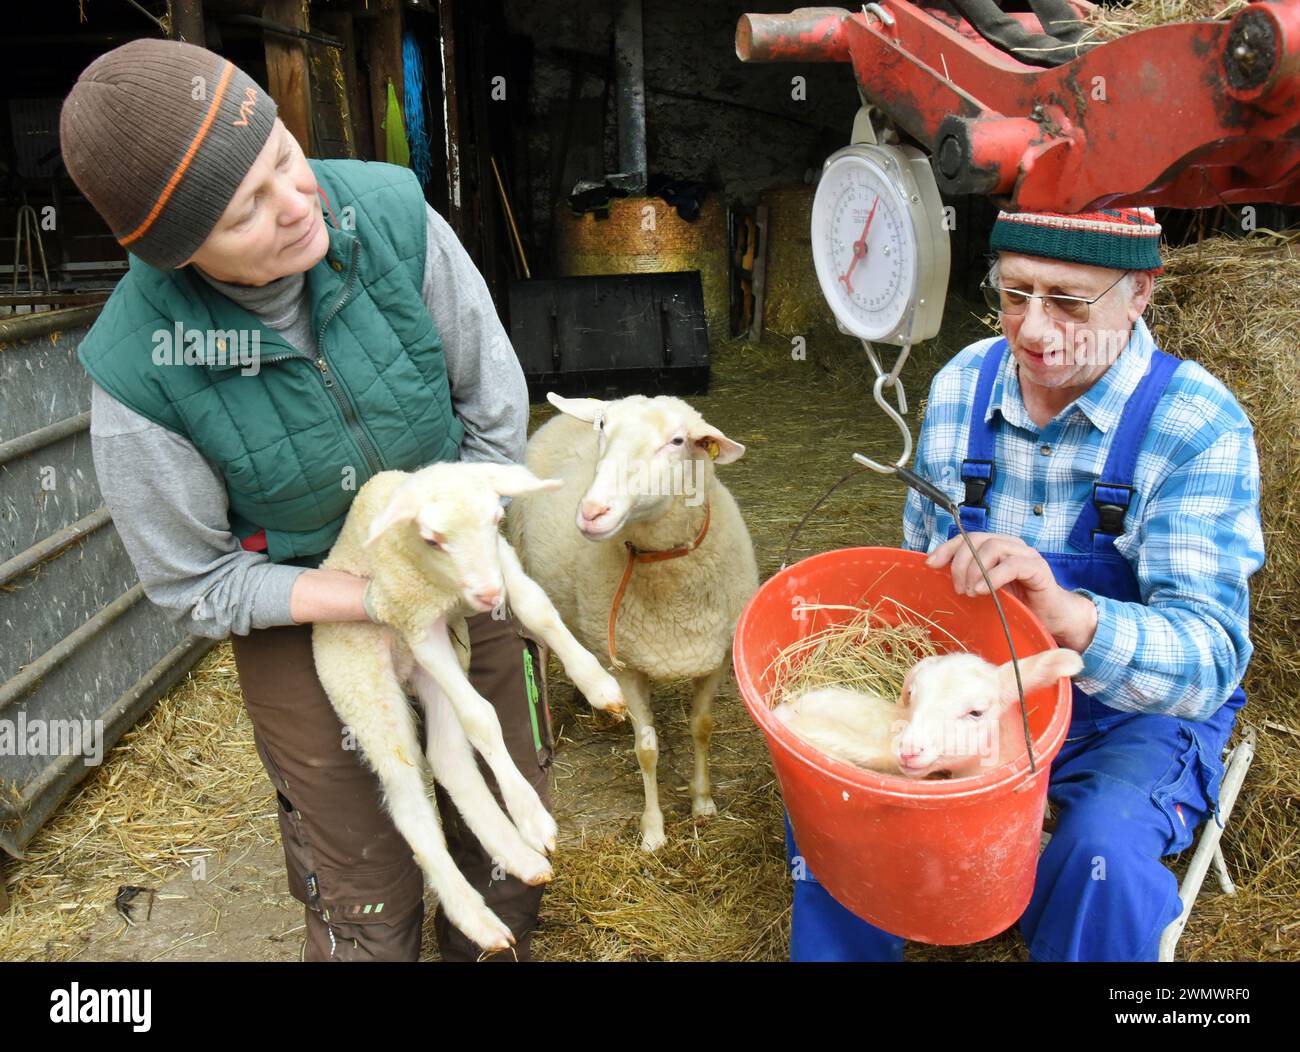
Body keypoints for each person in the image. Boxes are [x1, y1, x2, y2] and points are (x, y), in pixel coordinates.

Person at [60, 38, 554, 961]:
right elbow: (197, 586)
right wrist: (372, 602)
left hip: (449, 555)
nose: (297, 205)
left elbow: (491, 416)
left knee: (503, 811)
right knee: (365, 868)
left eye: (284, 156)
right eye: (246, 211)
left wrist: (452, 569)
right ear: (176, 255)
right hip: (304, 607)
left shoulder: (395, 219)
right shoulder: (141, 374)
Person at [785, 206, 1266, 962]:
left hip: (1122, 719)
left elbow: (1207, 662)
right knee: (846, 789)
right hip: (970, 694)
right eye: (1015, 294)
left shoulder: (1193, 423)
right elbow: (919, 574)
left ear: (1140, 293)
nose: (1034, 332)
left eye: (1070, 302)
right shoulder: (962, 387)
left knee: (1097, 855)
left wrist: (1066, 613)